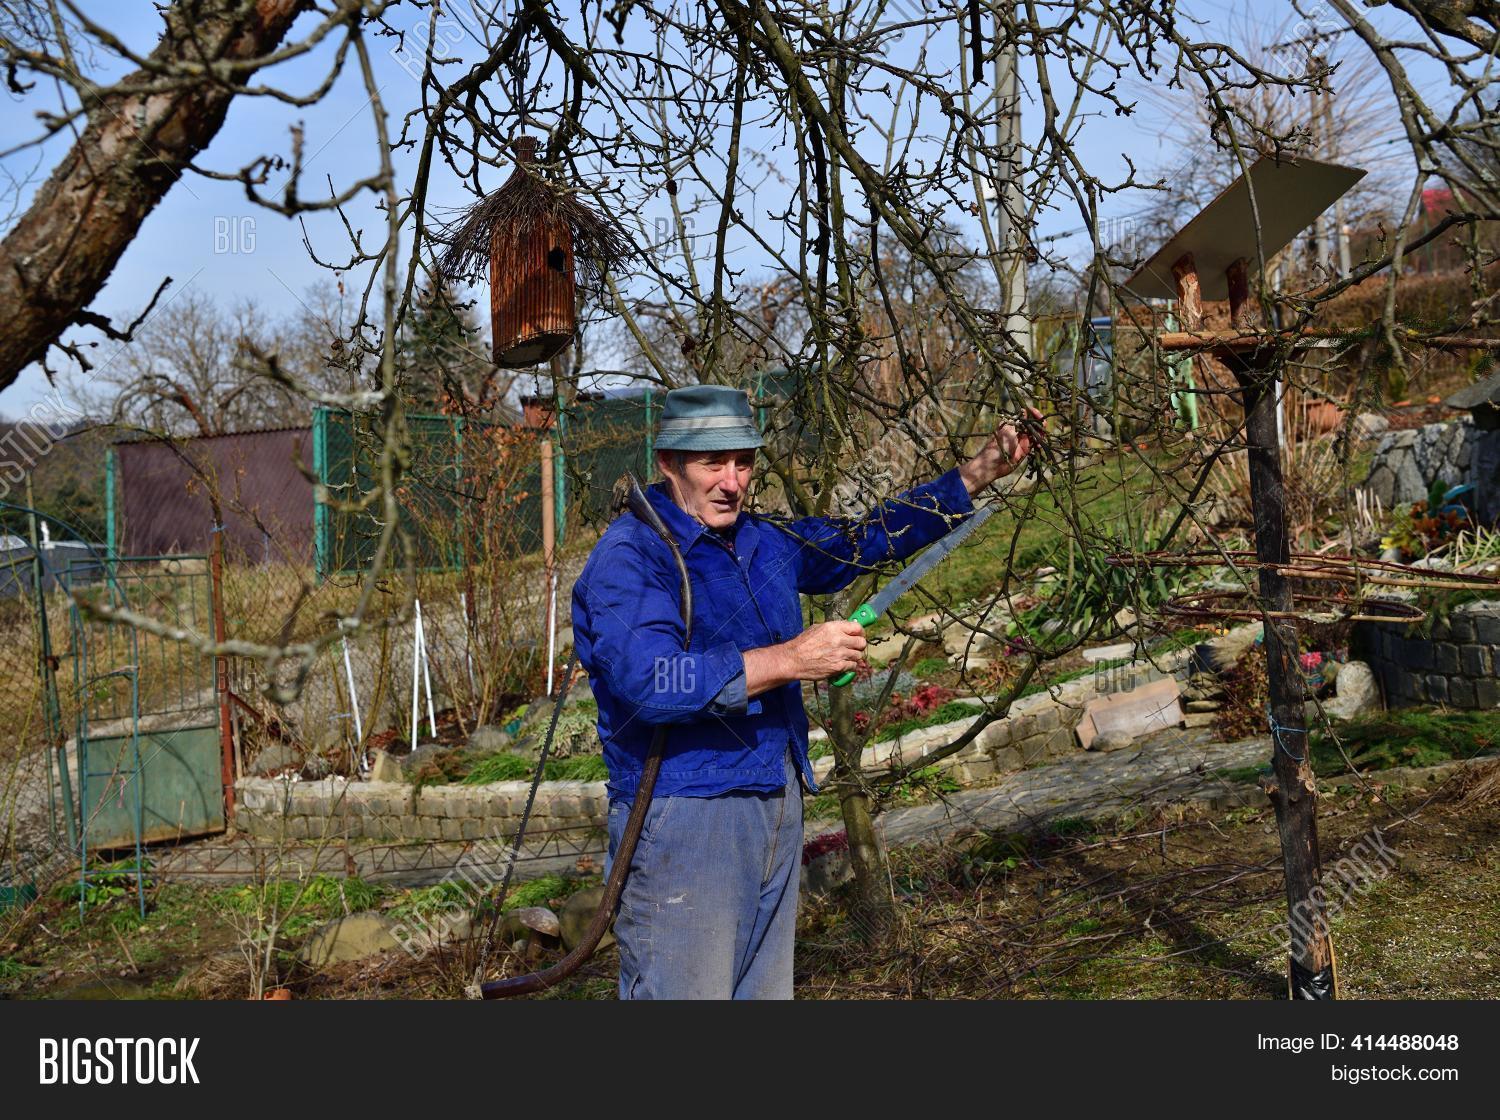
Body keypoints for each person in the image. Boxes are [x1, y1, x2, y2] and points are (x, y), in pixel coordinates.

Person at [571, 384, 1038, 999]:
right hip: (683, 818)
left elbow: (864, 538)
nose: (732, 482)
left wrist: (978, 473)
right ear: (668, 463)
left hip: (776, 800)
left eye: (743, 462)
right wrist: (792, 658)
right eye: (713, 463)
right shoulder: (630, 560)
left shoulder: (762, 541)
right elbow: (655, 682)